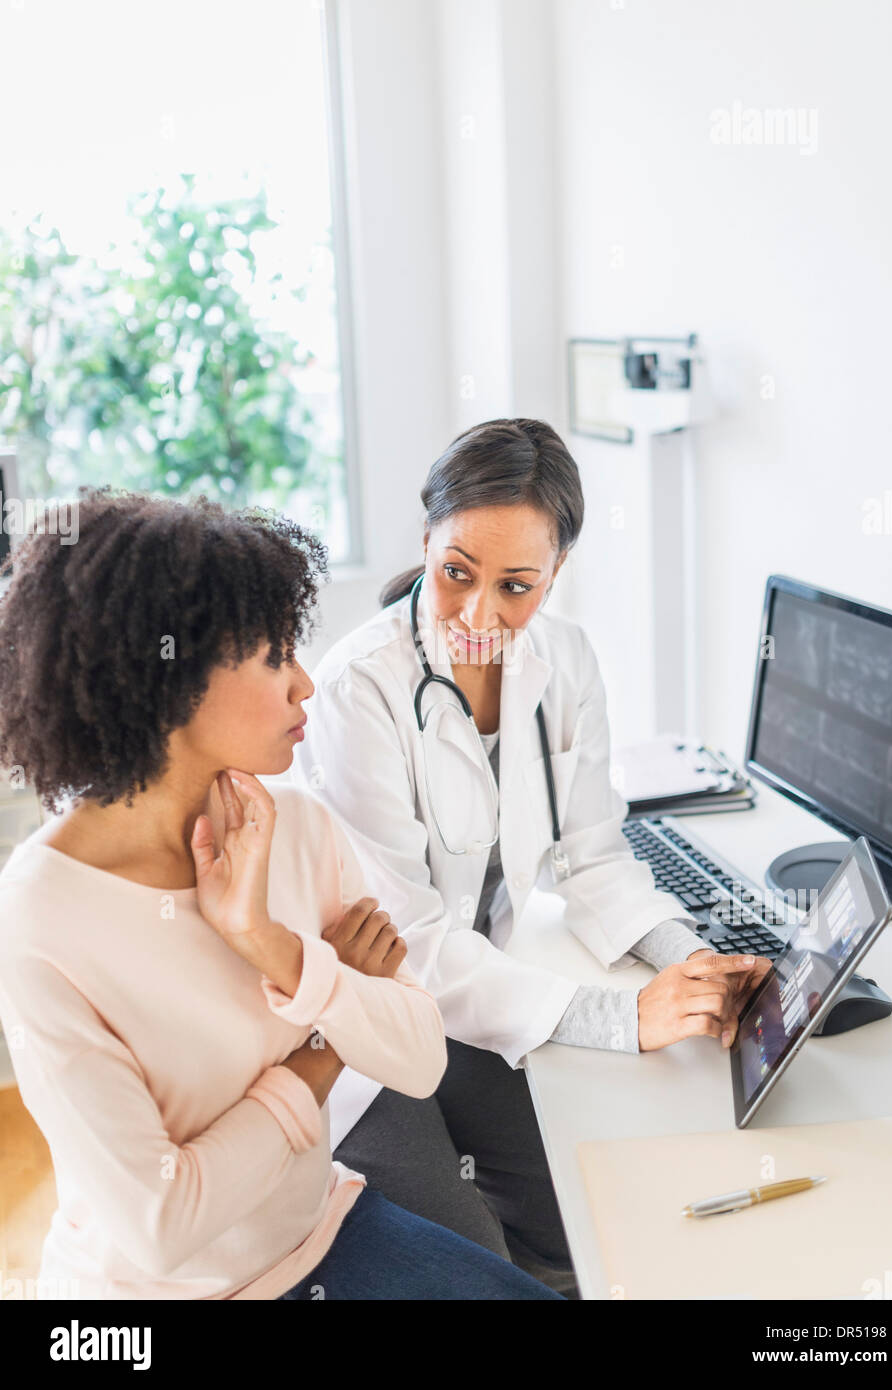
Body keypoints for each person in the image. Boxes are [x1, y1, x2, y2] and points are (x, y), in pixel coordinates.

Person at [0, 488, 561, 1301]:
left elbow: (416, 1056)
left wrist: (272, 945)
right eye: (272, 657)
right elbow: (161, 1225)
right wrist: (322, 1052)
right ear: (166, 680)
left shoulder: (293, 826)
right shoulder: (38, 921)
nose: (305, 684)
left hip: (318, 1231)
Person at [295, 418, 771, 1296]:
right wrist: (622, 1018)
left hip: (479, 994)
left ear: (555, 577)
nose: (480, 617)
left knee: (582, 1219)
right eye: (455, 574)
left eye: (516, 586)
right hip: (360, 1021)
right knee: (475, 1257)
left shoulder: (567, 661)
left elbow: (593, 857)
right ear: (425, 541)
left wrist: (694, 965)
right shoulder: (356, 689)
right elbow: (417, 942)